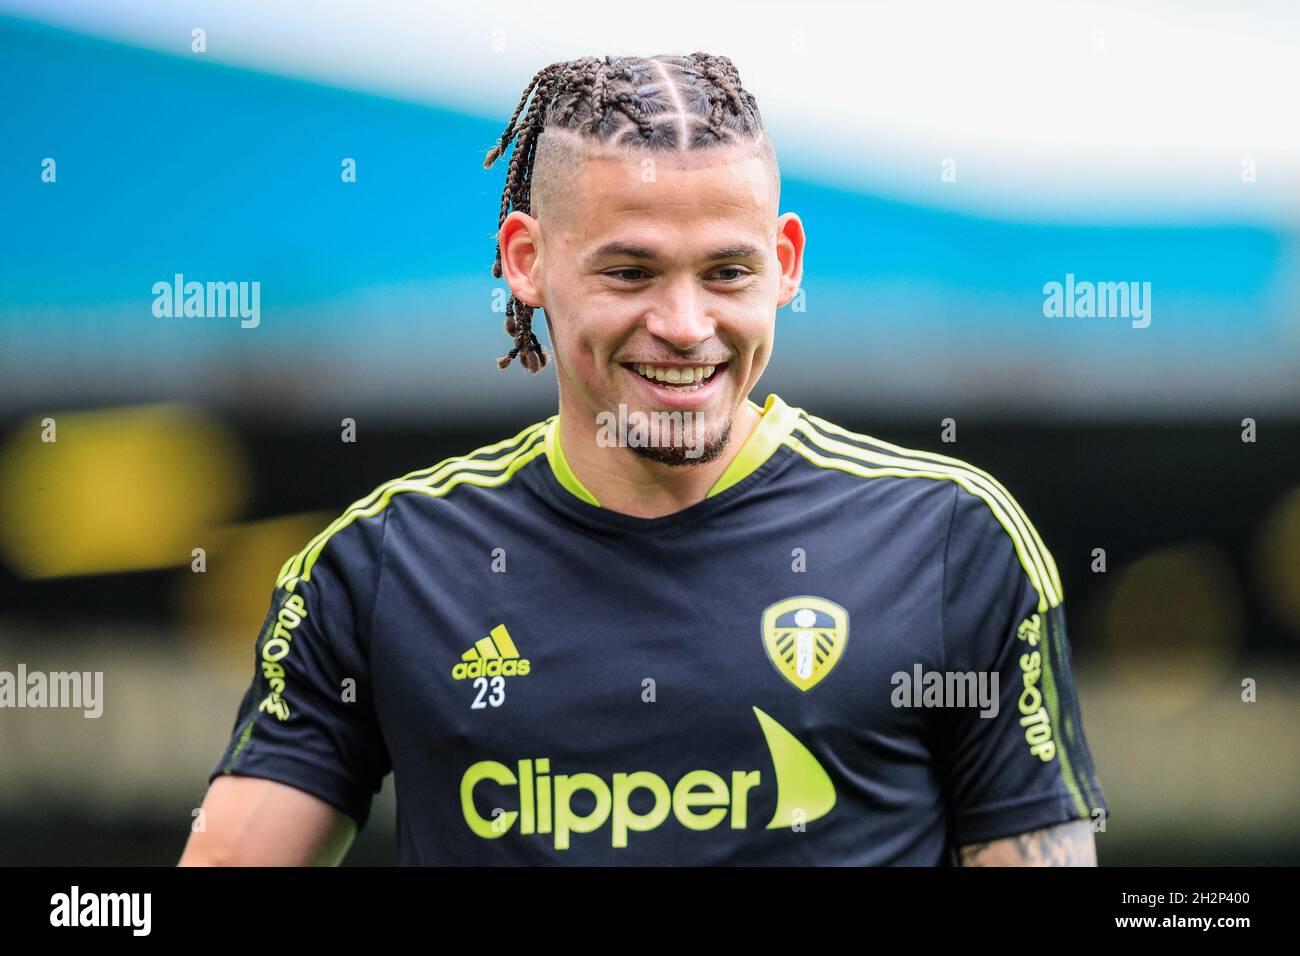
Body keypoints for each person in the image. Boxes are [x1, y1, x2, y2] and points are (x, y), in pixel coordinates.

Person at [180, 52, 1107, 866]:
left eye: (727, 272)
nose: (685, 326)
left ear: (786, 262)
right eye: (630, 274)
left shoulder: (950, 540)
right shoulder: (383, 566)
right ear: (526, 260)